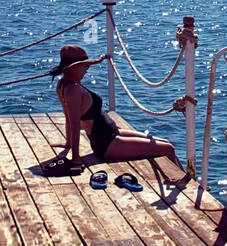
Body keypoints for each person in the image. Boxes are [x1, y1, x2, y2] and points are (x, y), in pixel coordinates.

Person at [48, 44, 180, 168]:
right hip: (108, 144)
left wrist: (68, 144)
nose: (87, 69)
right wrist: (75, 158)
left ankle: (184, 178)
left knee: (166, 143)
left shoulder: (64, 84)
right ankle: (182, 182)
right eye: (86, 66)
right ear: (75, 66)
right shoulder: (73, 90)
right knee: (168, 149)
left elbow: (67, 116)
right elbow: (74, 122)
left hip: (112, 134)